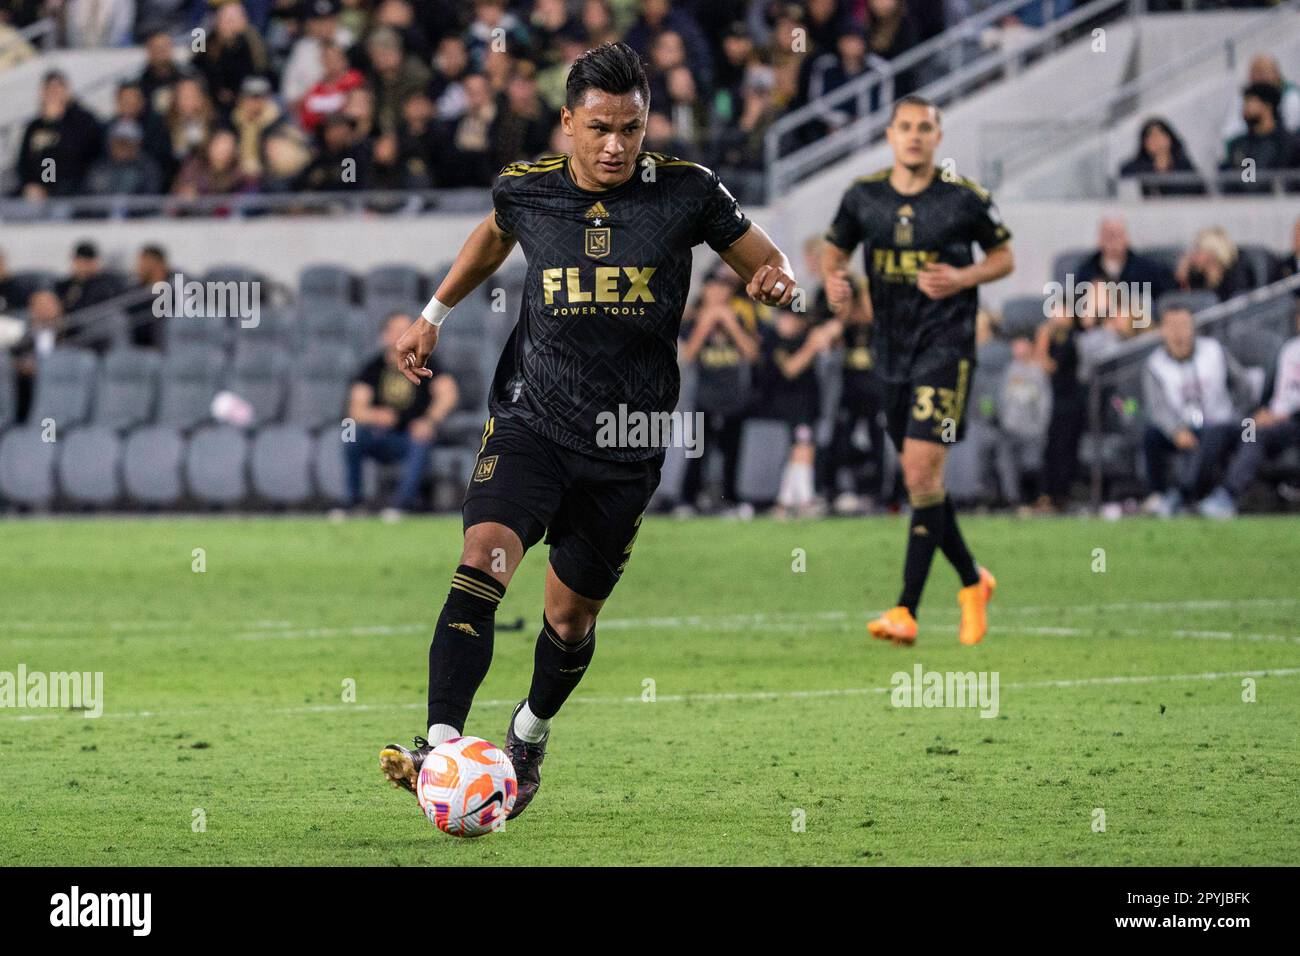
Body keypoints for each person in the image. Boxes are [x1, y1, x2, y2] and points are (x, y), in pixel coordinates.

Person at [376, 43, 796, 822]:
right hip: (531, 419)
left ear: (647, 125)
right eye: (599, 127)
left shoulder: (688, 192)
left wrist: (776, 282)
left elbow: (764, 262)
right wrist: (432, 316)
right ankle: (441, 746)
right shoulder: (526, 190)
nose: (614, 146)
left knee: (569, 621)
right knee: (482, 559)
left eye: (630, 130)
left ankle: (528, 733)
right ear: (567, 121)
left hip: (627, 439)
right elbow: (494, 235)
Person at [822, 94, 1014, 646]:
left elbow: (1005, 257)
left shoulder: (963, 200)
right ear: (889, 134)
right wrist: (837, 280)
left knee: (923, 476)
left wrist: (962, 278)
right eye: (905, 127)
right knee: (920, 481)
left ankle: (906, 610)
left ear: (938, 137)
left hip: (945, 349)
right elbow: (835, 253)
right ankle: (973, 580)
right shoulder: (864, 198)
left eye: (924, 127)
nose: (914, 136)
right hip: (890, 353)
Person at [343, 313, 458, 518]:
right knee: (351, 437)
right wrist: (375, 415)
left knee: (420, 438)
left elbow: (448, 394)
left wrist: (429, 421)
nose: (402, 335)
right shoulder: (373, 367)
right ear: (385, 336)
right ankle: (354, 504)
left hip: (412, 435)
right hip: (382, 435)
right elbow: (355, 409)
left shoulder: (426, 361)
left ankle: (400, 507)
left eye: (406, 330)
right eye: (396, 331)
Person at [1141, 304, 1249, 517]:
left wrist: (1238, 413)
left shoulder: (1214, 350)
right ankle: (1158, 494)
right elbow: (1157, 407)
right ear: (1162, 331)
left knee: (1219, 433)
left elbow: (1243, 386)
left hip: (1220, 424)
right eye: (1172, 327)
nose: (1178, 333)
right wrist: (1176, 430)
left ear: (1194, 328)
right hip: (1182, 427)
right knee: (1151, 434)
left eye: (1183, 325)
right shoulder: (1155, 364)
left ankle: (1183, 494)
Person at [1199, 305, 1300, 518]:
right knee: (1223, 430)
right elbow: (1274, 391)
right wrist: (1262, 410)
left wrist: (1287, 415)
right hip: (1271, 418)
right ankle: (1190, 493)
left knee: (1255, 435)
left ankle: (1228, 495)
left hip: (1293, 424)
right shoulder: (1290, 348)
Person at [677, 270, 760, 515]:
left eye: (723, 289)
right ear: (704, 290)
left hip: (733, 397)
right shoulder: (692, 319)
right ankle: (687, 500)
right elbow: (687, 356)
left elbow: (752, 354)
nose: (718, 293)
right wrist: (706, 323)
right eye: (714, 288)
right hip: (703, 397)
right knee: (698, 453)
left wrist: (730, 323)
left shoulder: (739, 316)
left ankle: (731, 500)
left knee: (732, 452)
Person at [758, 309, 840, 517]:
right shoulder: (775, 341)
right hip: (788, 406)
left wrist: (827, 333)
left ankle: (785, 502)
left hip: (809, 404)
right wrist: (813, 345)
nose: (785, 322)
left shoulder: (805, 335)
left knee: (800, 450)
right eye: (783, 317)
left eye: (790, 317)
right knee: (803, 448)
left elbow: (832, 339)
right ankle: (804, 500)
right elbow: (791, 368)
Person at [993, 334, 1051, 507]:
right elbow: (1001, 398)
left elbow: (1044, 401)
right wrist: (1003, 419)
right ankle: (1013, 501)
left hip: (1032, 428)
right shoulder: (1008, 370)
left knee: (1031, 465)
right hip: (1009, 428)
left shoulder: (1037, 372)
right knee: (1008, 466)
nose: (1017, 349)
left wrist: (1041, 425)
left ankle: (1032, 499)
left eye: (1021, 345)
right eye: (1015, 345)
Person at [1118, 118, 1205, 197]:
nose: (1156, 139)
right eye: (1150, 136)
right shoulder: (1132, 169)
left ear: (1170, 138)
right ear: (1144, 143)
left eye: (1160, 134)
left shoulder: (1185, 167)